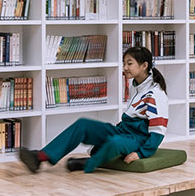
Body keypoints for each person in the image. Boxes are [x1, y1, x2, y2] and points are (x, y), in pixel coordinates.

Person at [19, 45, 169, 173]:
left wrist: (142, 153)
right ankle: (40, 157)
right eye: (124, 63)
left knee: (115, 142)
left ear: (144, 65)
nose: (125, 68)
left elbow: (158, 130)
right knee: (83, 125)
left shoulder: (156, 94)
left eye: (129, 64)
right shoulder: (135, 84)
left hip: (139, 139)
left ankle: (88, 164)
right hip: (123, 131)